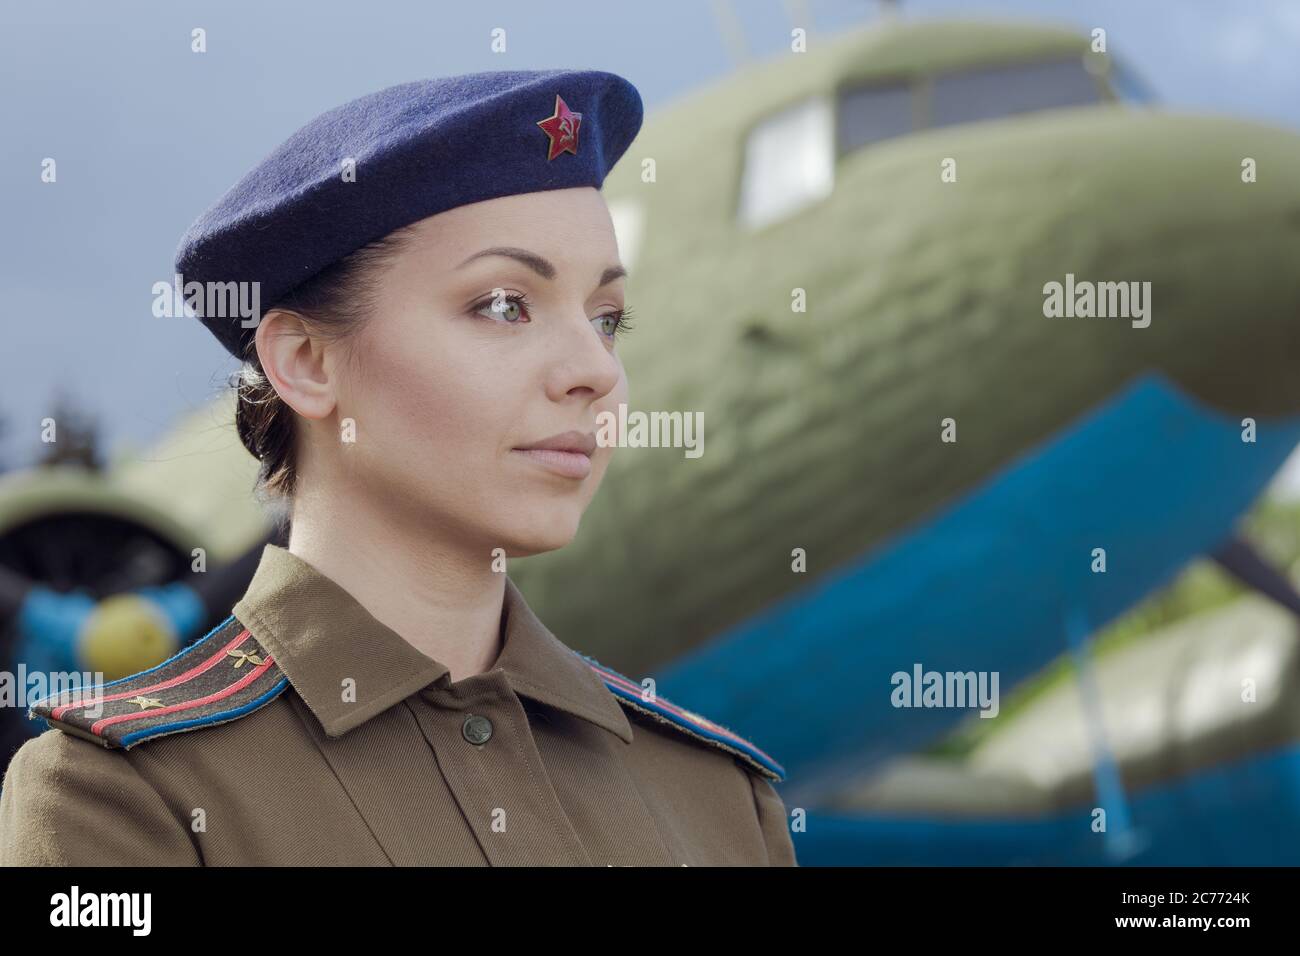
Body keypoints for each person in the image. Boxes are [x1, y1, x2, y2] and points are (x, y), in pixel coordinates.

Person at [0, 69, 797, 866]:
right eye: (502, 305)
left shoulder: (721, 800)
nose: (595, 371)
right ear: (308, 362)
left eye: (608, 319)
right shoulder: (125, 798)